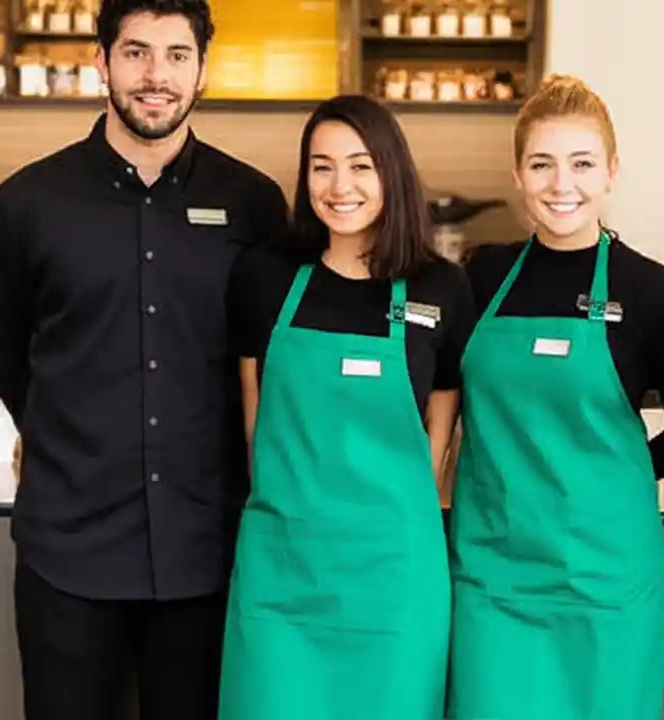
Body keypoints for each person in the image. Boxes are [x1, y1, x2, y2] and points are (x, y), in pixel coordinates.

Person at [0, 0, 290, 717]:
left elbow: (270, 357)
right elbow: (6, 350)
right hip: (69, 552)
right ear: (102, 63)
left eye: (177, 55)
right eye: (137, 52)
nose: (157, 75)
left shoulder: (254, 205)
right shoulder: (29, 202)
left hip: (206, 551)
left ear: (203, 70)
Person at [446, 74, 664, 719]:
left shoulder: (652, 292)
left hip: (607, 581)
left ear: (612, 171)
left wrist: (615, 480)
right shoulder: (480, 277)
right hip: (492, 575)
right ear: (518, 173)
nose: (562, 185)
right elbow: (437, 397)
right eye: (543, 164)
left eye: (582, 163)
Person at [217, 94, 475, 720]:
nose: (340, 186)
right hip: (284, 572)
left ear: (392, 172)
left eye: (361, 166)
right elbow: (254, 424)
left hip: (394, 580)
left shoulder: (441, 289)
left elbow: (439, 443)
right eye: (321, 166)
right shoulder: (266, 274)